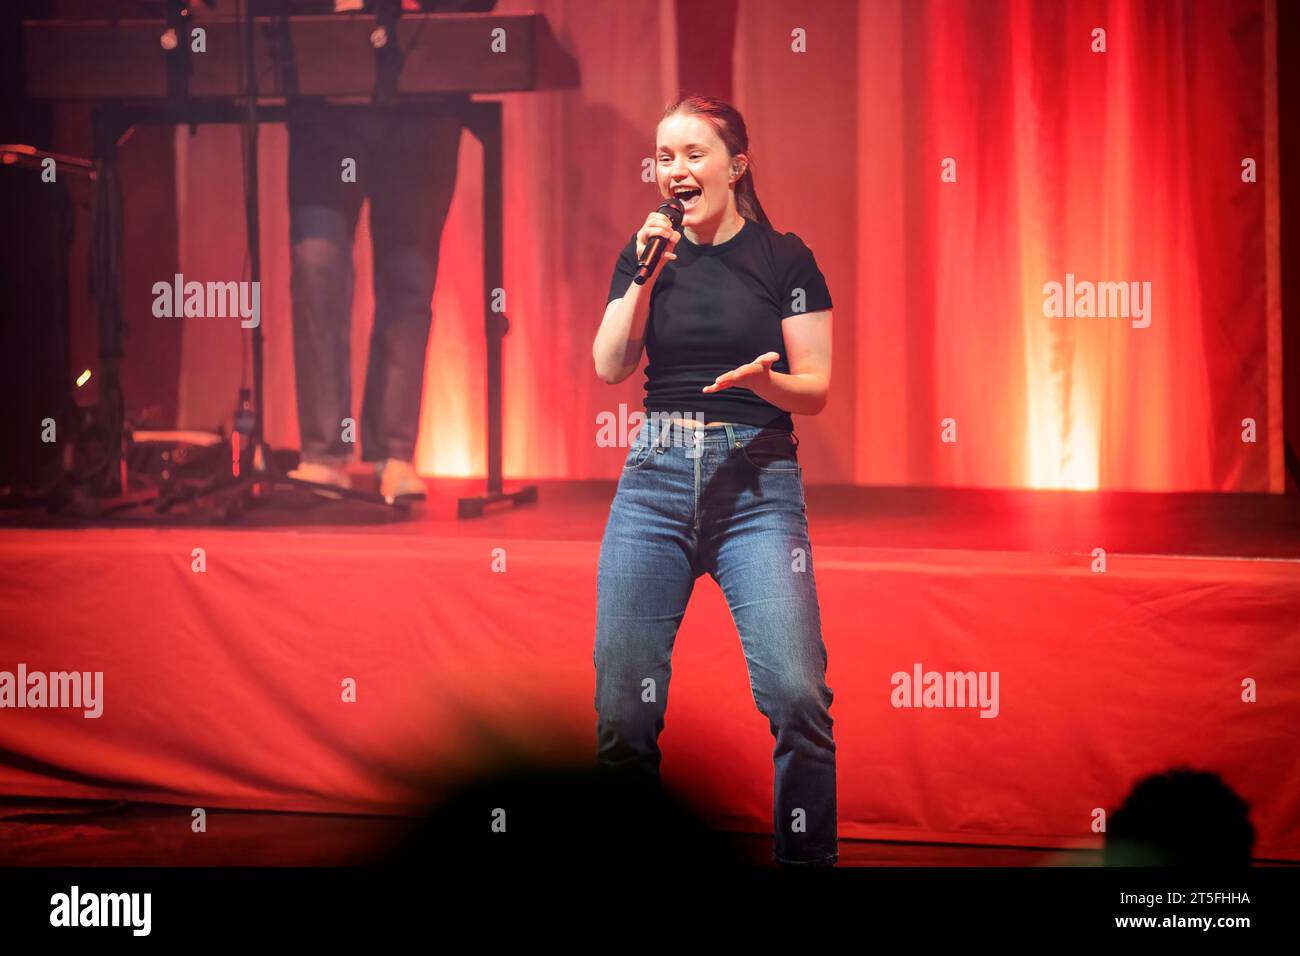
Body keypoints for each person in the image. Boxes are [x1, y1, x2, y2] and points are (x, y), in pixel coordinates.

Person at [591, 94, 838, 866]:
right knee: (622, 711)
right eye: (665, 157)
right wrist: (641, 270)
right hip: (654, 481)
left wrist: (763, 385)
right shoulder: (646, 254)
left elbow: (817, 387)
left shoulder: (785, 258)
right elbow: (609, 367)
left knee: (798, 696)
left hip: (755, 482)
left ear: (735, 167)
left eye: (693, 154)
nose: (676, 170)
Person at [281, 0, 494, 500]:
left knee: (408, 281)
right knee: (316, 268)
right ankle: (323, 452)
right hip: (325, 103)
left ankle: (393, 453)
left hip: (423, 105)